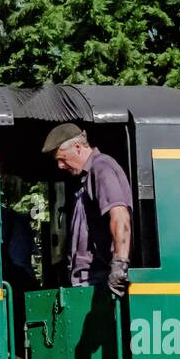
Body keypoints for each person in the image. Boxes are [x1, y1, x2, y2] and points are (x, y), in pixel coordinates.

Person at [41, 124, 132, 295]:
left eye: (63, 159)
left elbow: (120, 215)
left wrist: (119, 266)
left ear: (77, 147)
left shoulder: (102, 168)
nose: (60, 166)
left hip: (99, 282)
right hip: (87, 282)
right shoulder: (86, 177)